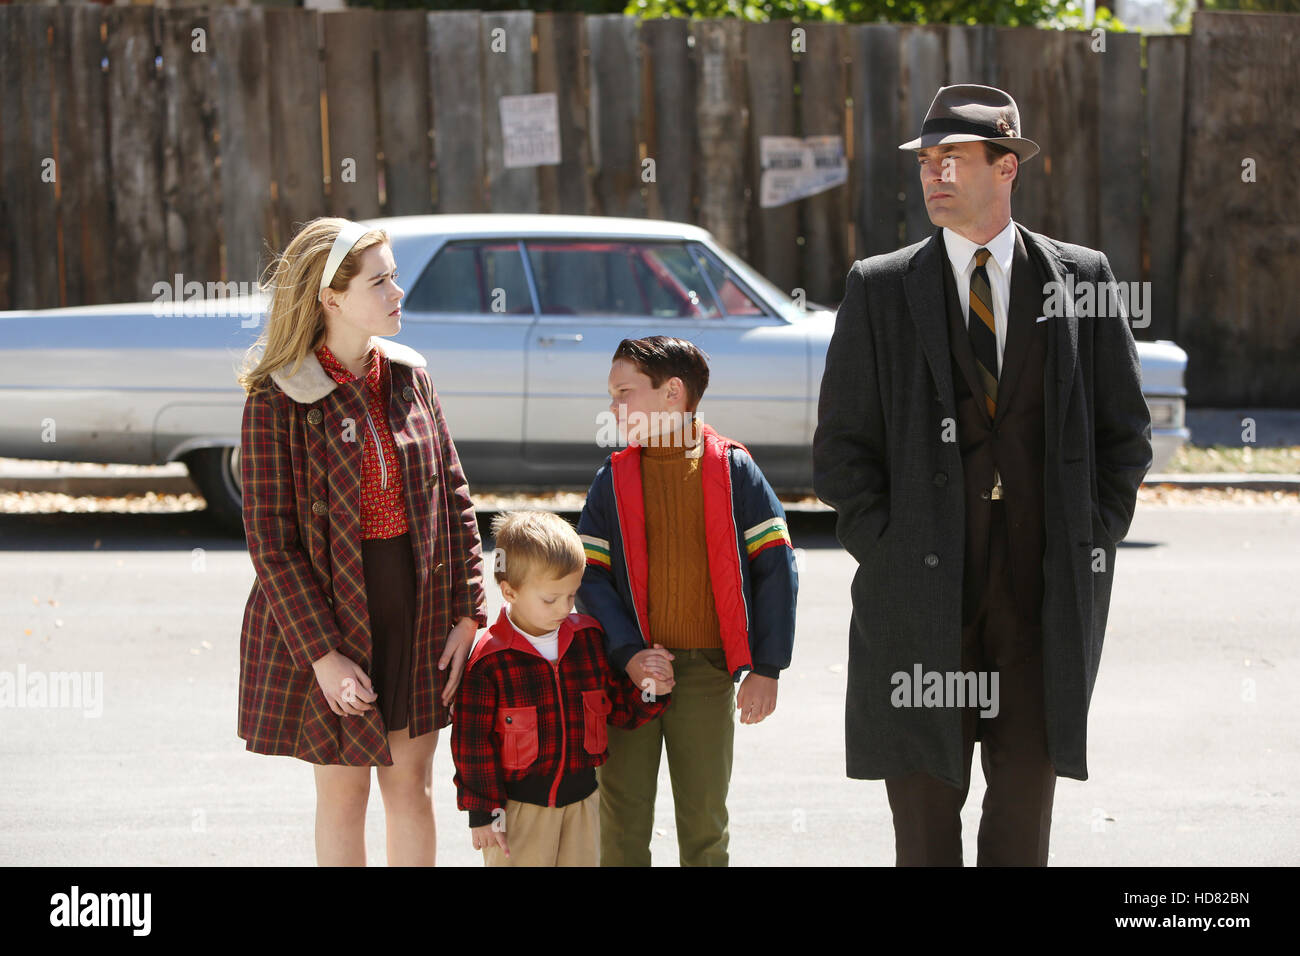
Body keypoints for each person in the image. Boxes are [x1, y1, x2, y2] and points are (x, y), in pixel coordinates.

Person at [814, 85, 1153, 865]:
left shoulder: (1084, 278)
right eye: (926, 161)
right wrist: (890, 548)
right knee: (925, 831)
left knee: (1023, 821)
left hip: (1043, 598)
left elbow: (1124, 437)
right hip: (920, 601)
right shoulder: (880, 285)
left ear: (1007, 167)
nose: (933, 175)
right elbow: (841, 448)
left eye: (953, 159)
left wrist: (1091, 535)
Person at [236, 216, 488, 866]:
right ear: (331, 298)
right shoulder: (277, 398)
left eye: (393, 277)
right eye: (380, 281)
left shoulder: (411, 376)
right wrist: (322, 656)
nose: (398, 291)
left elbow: (454, 495)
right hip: (327, 612)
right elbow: (272, 544)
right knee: (343, 798)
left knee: (413, 787)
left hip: (418, 604)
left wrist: (469, 611)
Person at [575, 335, 799, 866]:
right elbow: (590, 576)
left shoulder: (734, 471)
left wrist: (767, 667)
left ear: (673, 393)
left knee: (703, 826)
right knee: (622, 824)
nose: (613, 407)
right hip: (628, 676)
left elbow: (776, 569)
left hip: (707, 674)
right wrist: (629, 655)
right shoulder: (613, 478)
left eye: (624, 392)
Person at [450, 510, 669, 866]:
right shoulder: (489, 661)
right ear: (510, 591)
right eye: (551, 599)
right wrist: (483, 812)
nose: (565, 608)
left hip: (583, 805)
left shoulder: (588, 639)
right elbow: (471, 745)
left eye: (571, 595)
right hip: (517, 813)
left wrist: (651, 690)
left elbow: (616, 708)